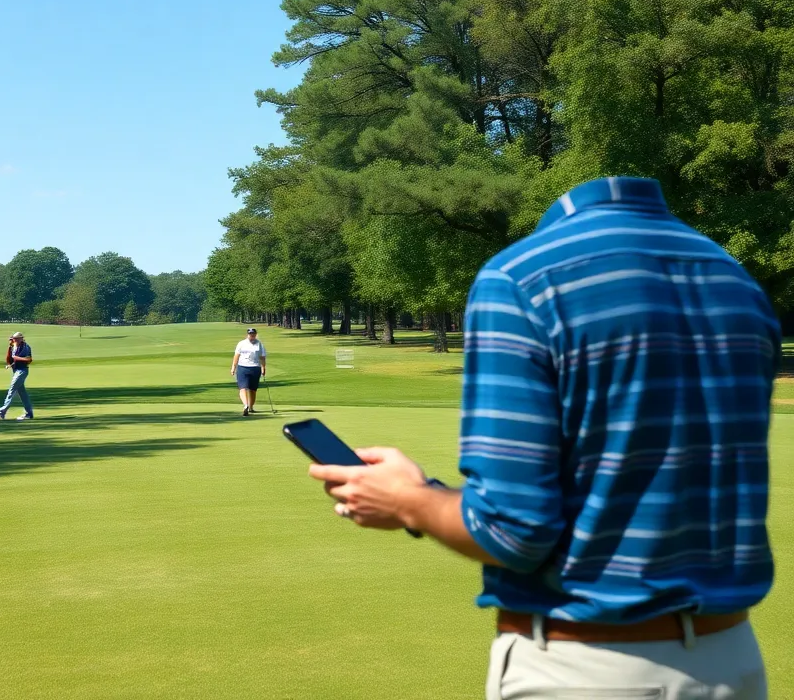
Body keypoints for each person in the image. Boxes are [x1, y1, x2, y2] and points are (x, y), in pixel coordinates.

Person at [307, 177, 777, 699]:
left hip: (590, 671)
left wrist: (408, 501)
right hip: (734, 662)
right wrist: (427, 493)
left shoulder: (523, 275)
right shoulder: (733, 277)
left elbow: (514, 532)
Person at [0, 331, 33, 421]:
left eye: (17, 339)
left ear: (21, 339)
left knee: (12, 389)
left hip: (22, 371)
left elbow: (29, 359)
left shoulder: (25, 347)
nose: (15, 340)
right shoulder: (13, 347)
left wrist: (17, 358)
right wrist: (10, 348)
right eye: (14, 339)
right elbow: (9, 359)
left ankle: (2, 411)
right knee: (22, 393)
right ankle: (29, 413)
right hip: (16, 371)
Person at [231, 327, 267, 416]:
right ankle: (245, 405)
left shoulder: (259, 344)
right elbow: (236, 356)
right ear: (248, 334)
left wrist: (263, 367)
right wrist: (233, 367)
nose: (252, 336)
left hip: (255, 368)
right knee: (242, 388)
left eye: (253, 334)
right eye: (250, 334)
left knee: (252, 390)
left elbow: (262, 357)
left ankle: (250, 407)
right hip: (243, 367)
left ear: (256, 334)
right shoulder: (241, 344)